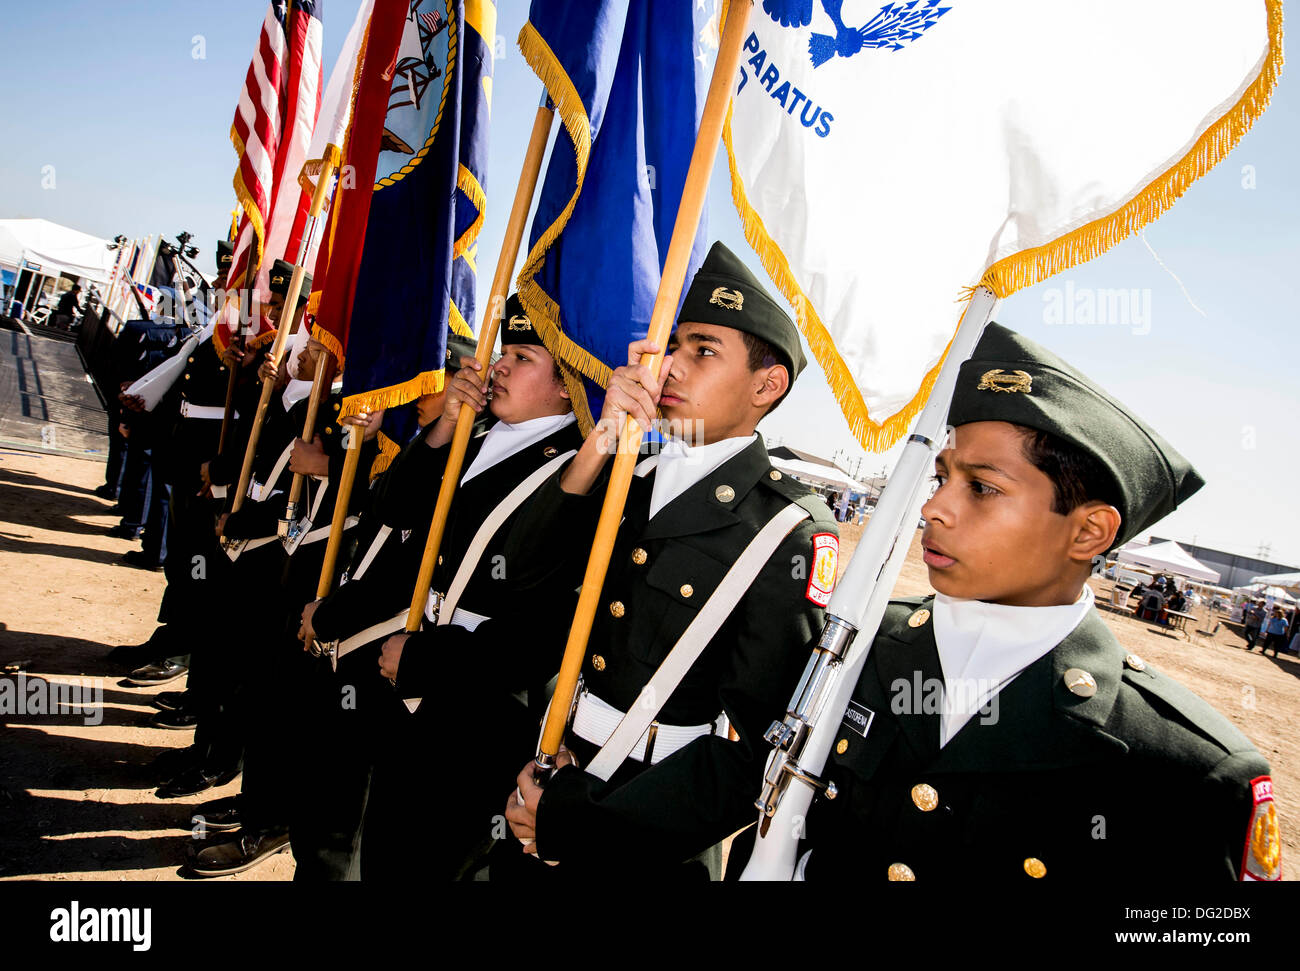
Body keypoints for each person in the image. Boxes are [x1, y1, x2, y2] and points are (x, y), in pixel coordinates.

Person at [730, 322, 1280, 882]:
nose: (934, 508)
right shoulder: (860, 645)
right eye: (941, 477)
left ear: (1089, 532)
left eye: (982, 488)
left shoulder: (1187, 768)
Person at [502, 241, 840, 878]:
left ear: (767, 385)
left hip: (647, 824)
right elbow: (523, 572)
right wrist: (601, 440)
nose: (671, 368)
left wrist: (580, 819)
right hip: (553, 766)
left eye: (703, 351)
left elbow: (755, 753)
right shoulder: (632, 471)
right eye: (674, 346)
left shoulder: (786, 530)